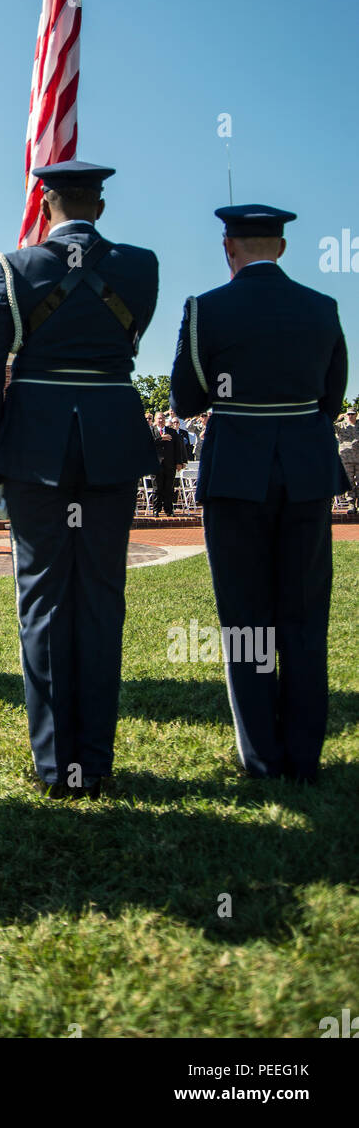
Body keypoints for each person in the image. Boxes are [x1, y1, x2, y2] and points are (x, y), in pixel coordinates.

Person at [0, 160, 159, 800]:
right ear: (99, 206)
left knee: (44, 599)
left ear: (45, 203)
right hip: (110, 441)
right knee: (102, 597)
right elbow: (128, 340)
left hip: (34, 449)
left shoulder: (11, 268)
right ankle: (96, 761)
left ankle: (58, 765)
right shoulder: (142, 267)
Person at [170, 203, 348, 783]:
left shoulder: (205, 310)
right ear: (283, 246)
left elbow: (186, 402)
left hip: (237, 474)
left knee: (246, 621)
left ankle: (262, 756)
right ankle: (303, 756)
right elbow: (332, 399)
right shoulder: (322, 309)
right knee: (303, 616)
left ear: (228, 247)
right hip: (305, 470)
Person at [151, 410, 185, 515]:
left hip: (170, 464)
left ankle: (169, 510)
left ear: (165, 420)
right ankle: (156, 510)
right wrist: (161, 438)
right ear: (155, 420)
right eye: (158, 418)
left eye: (162, 418)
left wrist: (179, 462)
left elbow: (178, 448)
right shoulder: (151, 431)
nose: (161, 420)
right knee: (157, 488)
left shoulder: (172, 432)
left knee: (169, 488)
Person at [336, 407, 359, 511]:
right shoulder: (341, 426)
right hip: (346, 459)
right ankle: (351, 504)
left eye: (352, 414)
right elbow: (328, 427)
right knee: (349, 482)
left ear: (356, 414)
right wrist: (338, 419)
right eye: (349, 414)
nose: (350, 416)